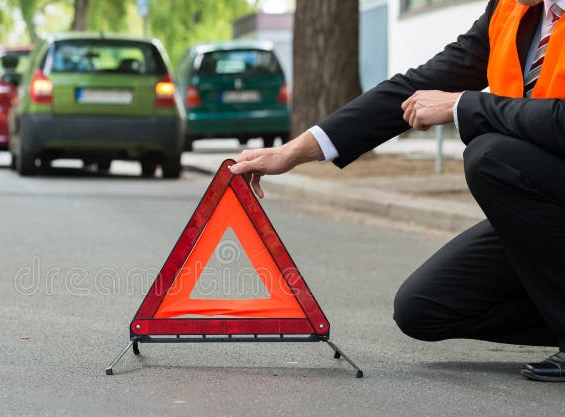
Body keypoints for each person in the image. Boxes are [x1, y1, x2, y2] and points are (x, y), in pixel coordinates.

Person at [230, 0, 565, 382]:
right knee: (424, 307)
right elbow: (415, 86)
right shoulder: (512, 10)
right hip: (548, 201)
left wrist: (464, 105)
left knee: (491, 157)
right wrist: (293, 153)